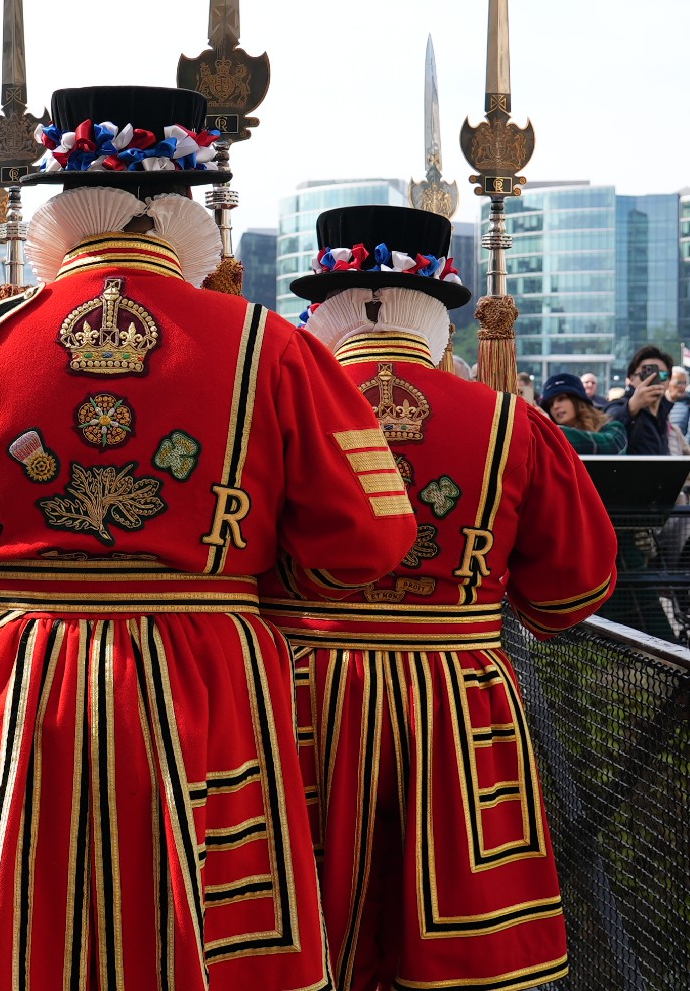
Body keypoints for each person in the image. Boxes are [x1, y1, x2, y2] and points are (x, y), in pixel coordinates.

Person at [0, 86, 418, 991]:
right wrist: (254, 580)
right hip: (210, 678)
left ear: (54, 215)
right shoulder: (273, 345)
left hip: (15, 688)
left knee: (18, 933)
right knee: (211, 938)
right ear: (185, 214)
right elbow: (372, 537)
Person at [263, 204, 617, 991]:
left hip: (298, 699)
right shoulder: (512, 423)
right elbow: (574, 590)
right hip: (455, 703)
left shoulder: (274, 409)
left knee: (295, 918)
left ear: (321, 314)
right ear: (442, 320)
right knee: (455, 935)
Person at [606, 345, 674, 455]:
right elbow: (606, 422)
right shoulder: (621, 404)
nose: (654, 379)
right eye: (646, 373)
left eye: (661, 375)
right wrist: (632, 406)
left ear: (669, 380)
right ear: (631, 378)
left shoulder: (664, 411)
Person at [538, 372, 627, 454]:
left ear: (578, 400)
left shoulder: (613, 427)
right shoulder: (547, 441)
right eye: (550, 404)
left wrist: (552, 431)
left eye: (561, 398)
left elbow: (611, 445)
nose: (555, 406)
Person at [665, 365, 689, 435]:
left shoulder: (688, 403)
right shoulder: (659, 402)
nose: (683, 386)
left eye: (684, 383)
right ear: (668, 382)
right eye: (679, 383)